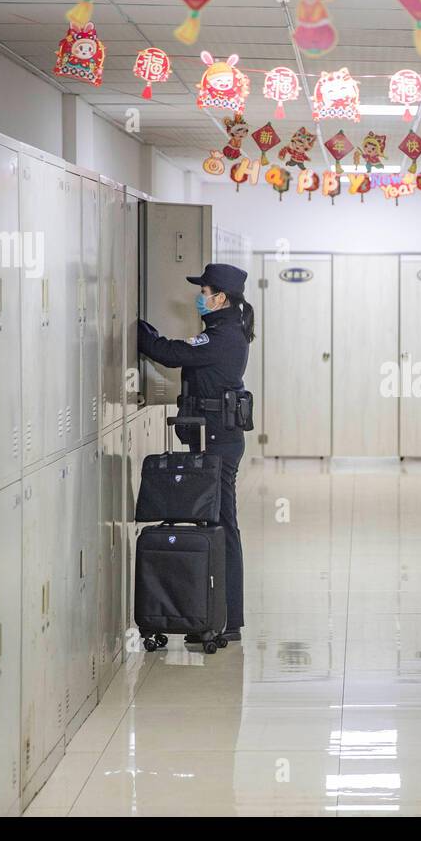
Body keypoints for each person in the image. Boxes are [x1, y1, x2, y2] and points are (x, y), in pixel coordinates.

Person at [137, 263, 255, 643]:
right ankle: (212, 612)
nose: (199, 297)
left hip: (219, 442)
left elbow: (170, 354)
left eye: (204, 291)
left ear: (220, 298)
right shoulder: (224, 330)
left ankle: (227, 619)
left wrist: (135, 328)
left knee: (223, 525)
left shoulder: (223, 336)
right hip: (216, 438)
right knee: (214, 524)